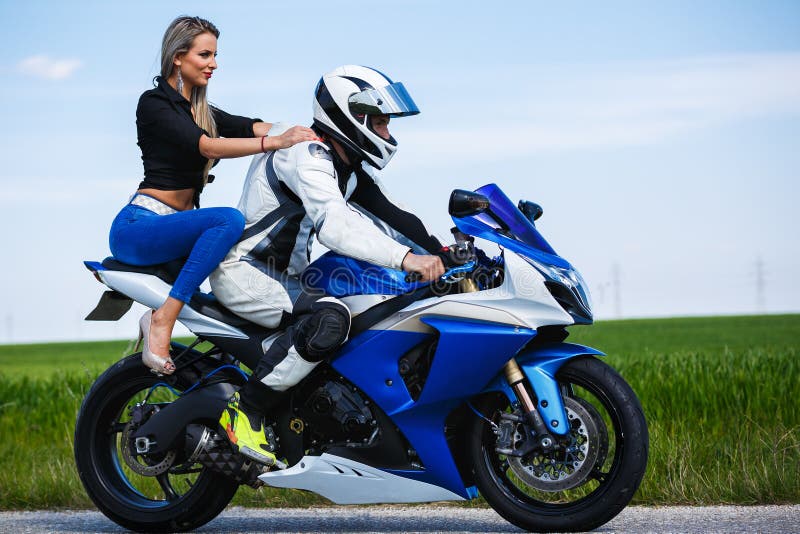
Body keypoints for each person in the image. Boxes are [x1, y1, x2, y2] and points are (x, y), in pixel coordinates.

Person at [209, 65, 445, 466]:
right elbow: (335, 226)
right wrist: (408, 259)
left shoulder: (347, 165)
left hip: (287, 277)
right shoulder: (308, 156)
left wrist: (450, 253)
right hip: (245, 270)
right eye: (381, 123)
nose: (388, 134)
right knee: (331, 318)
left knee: (372, 304)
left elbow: (397, 218)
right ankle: (244, 410)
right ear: (352, 117)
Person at [108, 16, 318, 374]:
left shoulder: (203, 112)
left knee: (228, 284)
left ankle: (194, 344)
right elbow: (207, 146)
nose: (214, 64)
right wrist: (275, 143)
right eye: (205, 55)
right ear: (178, 56)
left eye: (215, 55)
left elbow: (251, 125)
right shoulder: (155, 104)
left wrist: (316, 135)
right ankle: (162, 322)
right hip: (140, 227)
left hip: (176, 235)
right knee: (229, 220)